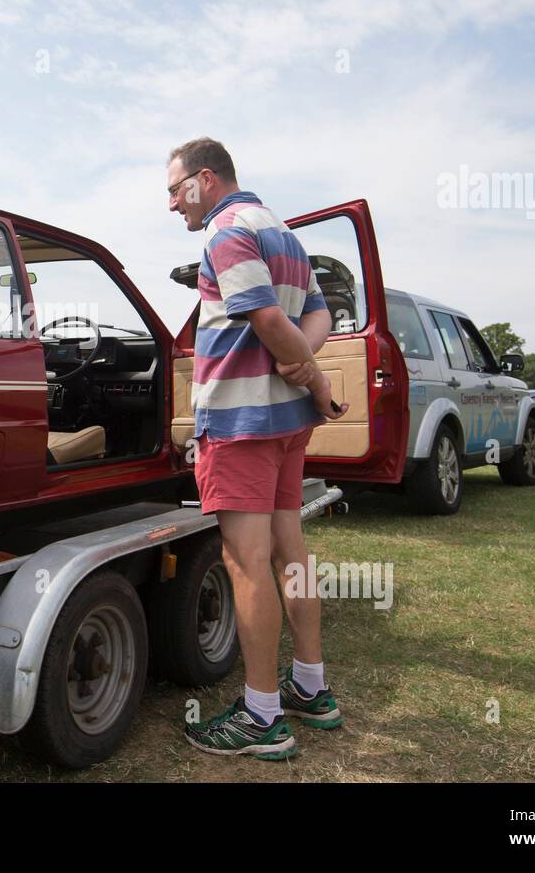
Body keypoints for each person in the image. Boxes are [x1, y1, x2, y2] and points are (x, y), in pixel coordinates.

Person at [166, 137, 347, 760]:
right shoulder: (286, 235)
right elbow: (320, 317)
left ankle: (262, 714)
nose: (171, 205)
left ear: (204, 179)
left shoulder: (225, 233)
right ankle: (311, 686)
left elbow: (268, 321)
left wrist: (314, 375)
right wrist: (306, 370)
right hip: (288, 423)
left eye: (174, 190)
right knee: (289, 549)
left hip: (242, 426)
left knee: (246, 563)